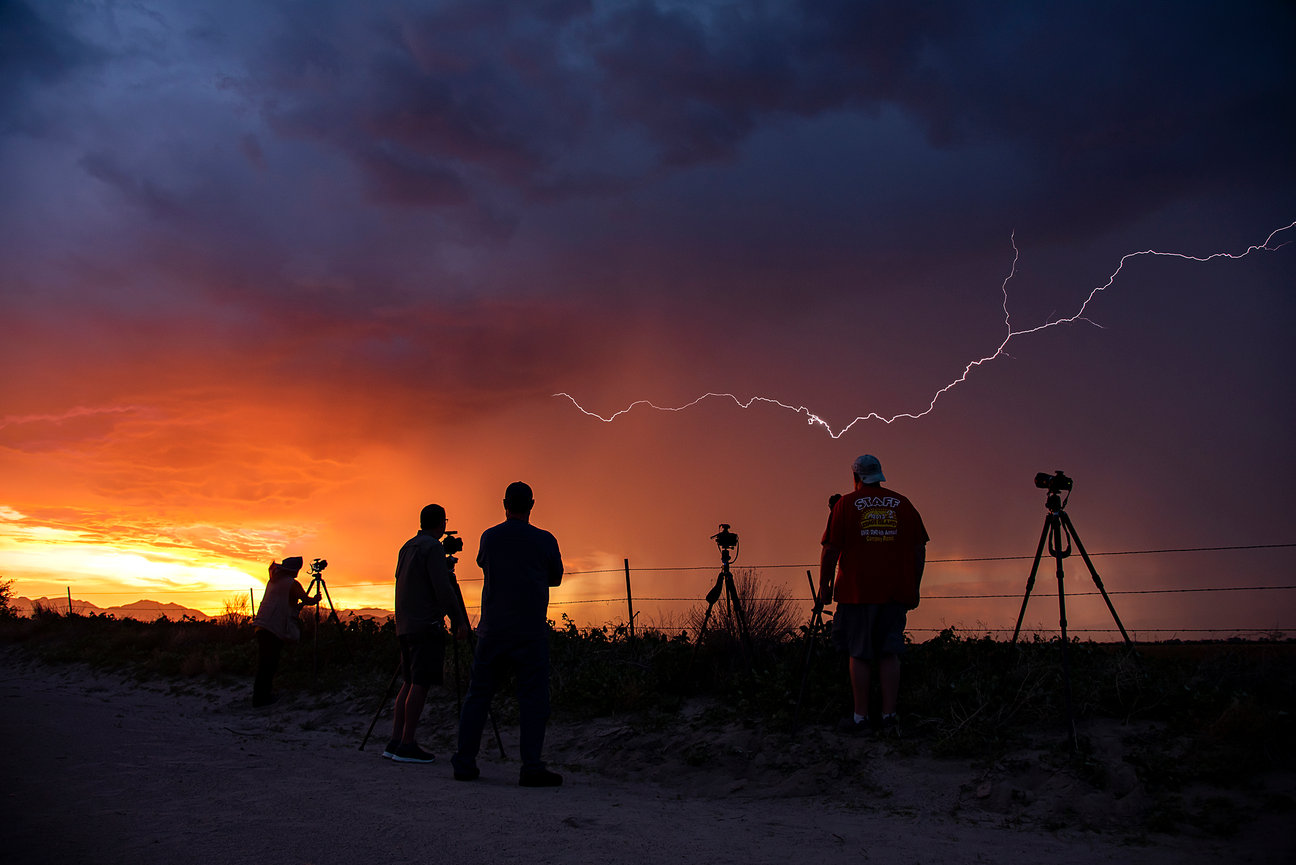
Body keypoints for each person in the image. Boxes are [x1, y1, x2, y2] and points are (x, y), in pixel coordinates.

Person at [452, 481, 564, 787]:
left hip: (492, 630)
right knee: (533, 699)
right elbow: (555, 578)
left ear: (504, 503)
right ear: (532, 505)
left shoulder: (489, 537)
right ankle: (531, 766)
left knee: (478, 695)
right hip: (530, 631)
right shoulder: (545, 539)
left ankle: (464, 761)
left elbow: (483, 565)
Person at [818, 454, 928, 737]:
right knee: (889, 652)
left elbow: (830, 550)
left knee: (860, 653)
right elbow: (918, 549)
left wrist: (824, 587)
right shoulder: (903, 504)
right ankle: (890, 717)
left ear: (855, 477)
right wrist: (914, 586)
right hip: (894, 592)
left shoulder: (844, 504)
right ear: (880, 475)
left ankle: (860, 718)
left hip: (857, 593)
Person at [386, 503, 473, 764]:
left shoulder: (407, 546)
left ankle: (394, 740)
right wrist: (458, 620)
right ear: (441, 523)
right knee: (421, 683)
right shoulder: (433, 548)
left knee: (409, 682)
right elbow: (442, 588)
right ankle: (407, 743)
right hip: (425, 625)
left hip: (405, 624)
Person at [252, 556, 319, 708]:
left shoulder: (273, 581)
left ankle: (260, 696)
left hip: (262, 625)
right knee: (269, 664)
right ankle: (262, 699)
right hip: (273, 628)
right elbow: (305, 599)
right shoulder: (291, 583)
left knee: (264, 663)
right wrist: (315, 599)